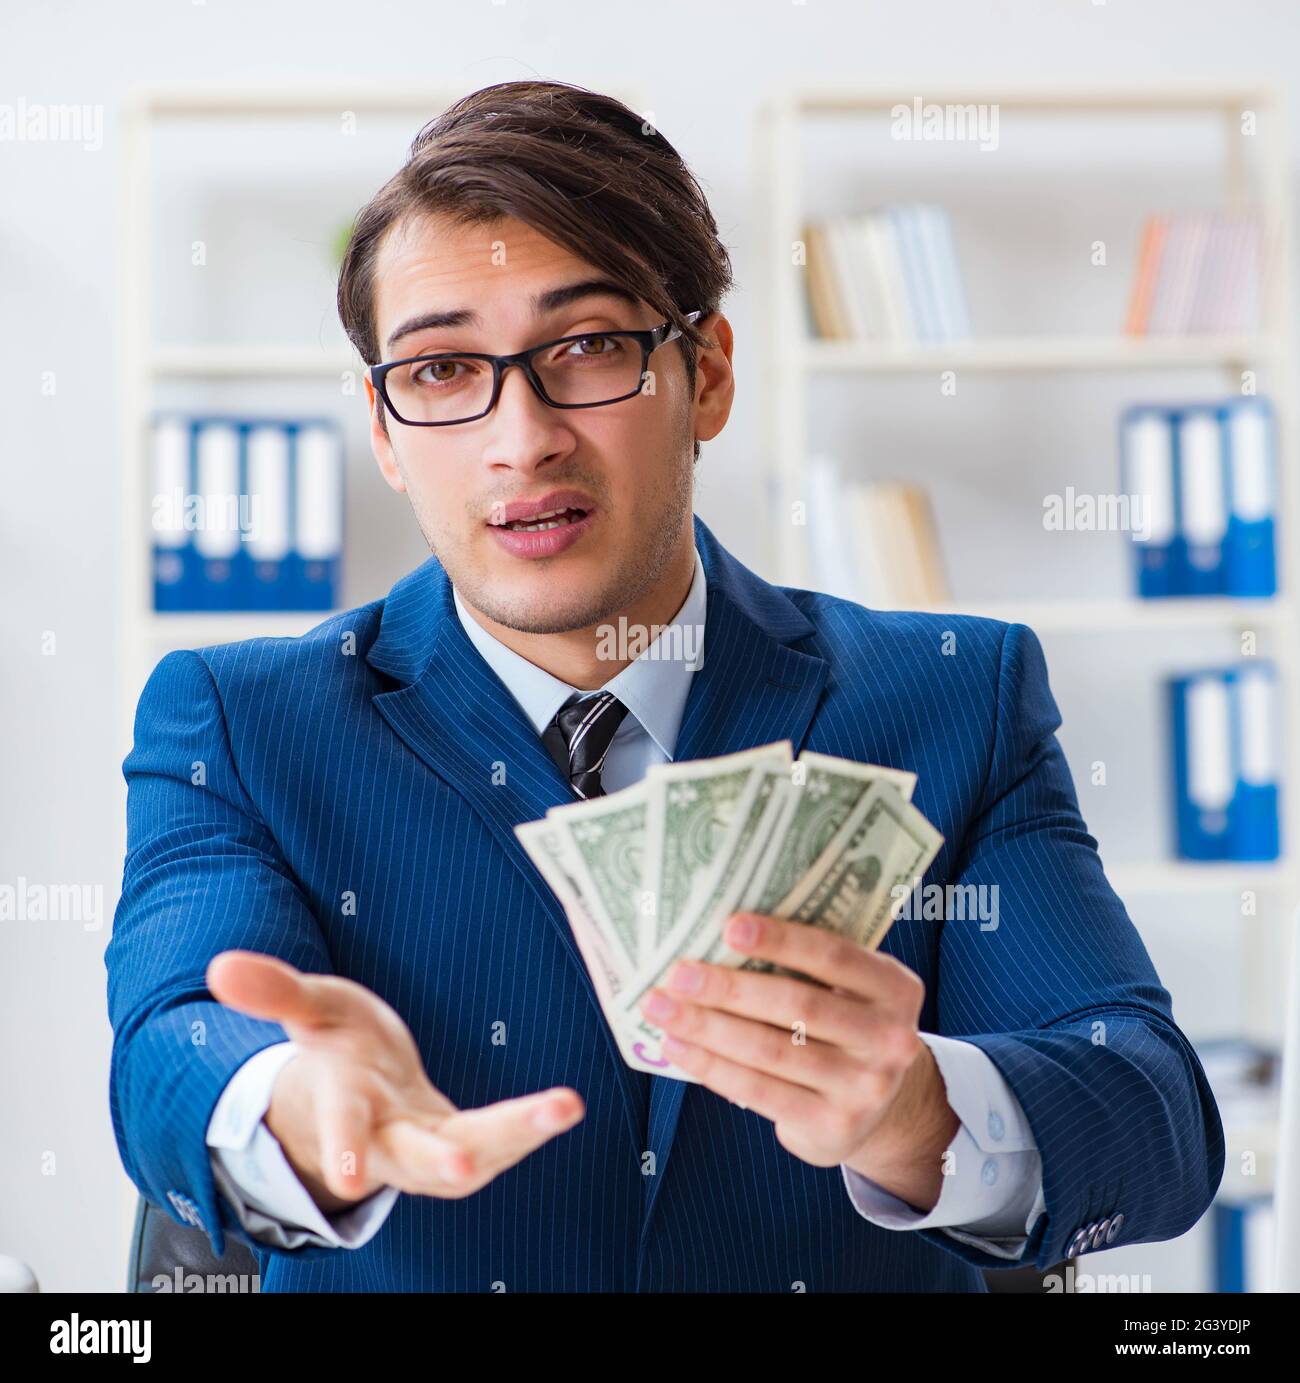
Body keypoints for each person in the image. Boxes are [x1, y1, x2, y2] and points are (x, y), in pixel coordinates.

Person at [105, 79, 1223, 1292]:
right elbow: (169, 1044)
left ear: (710, 376)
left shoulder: (955, 695)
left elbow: (1150, 1111)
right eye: (438, 372)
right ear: (384, 433)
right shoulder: (240, 718)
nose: (519, 436)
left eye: (587, 348)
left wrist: (916, 1112)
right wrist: (290, 1103)